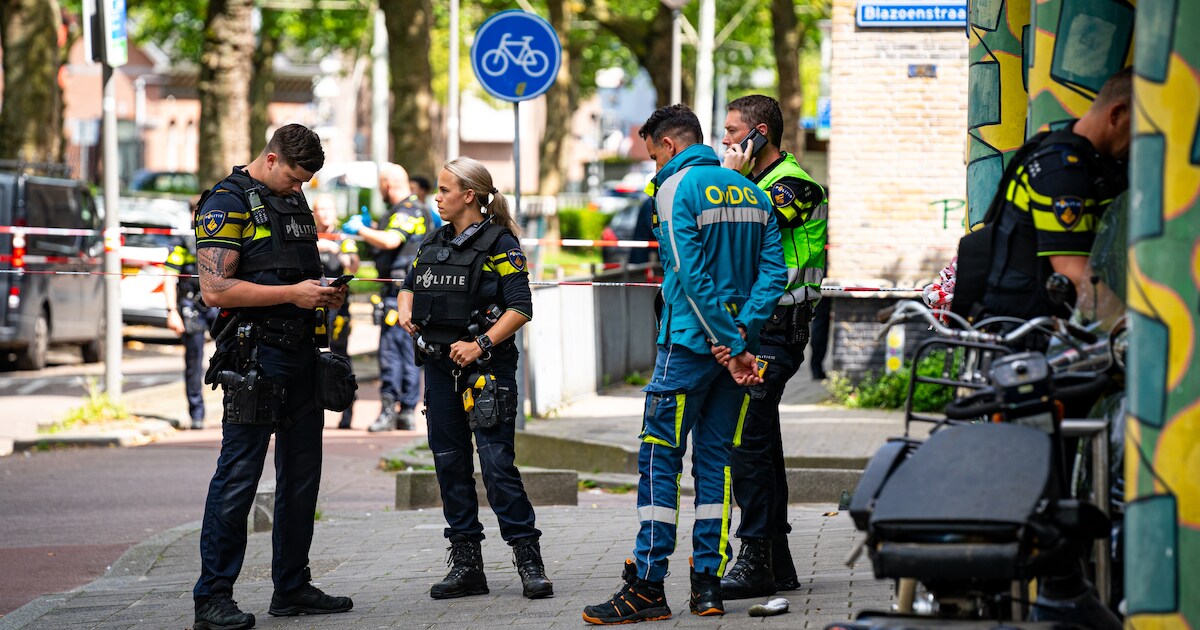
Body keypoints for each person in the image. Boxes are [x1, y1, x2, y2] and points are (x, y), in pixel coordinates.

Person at [582, 104, 786, 625]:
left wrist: (725, 340)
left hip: (688, 346)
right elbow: (774, 276)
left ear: (669, 145)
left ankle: (648, 585)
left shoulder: (675, 188)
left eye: (653, 155)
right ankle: (707, 586)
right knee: (717, 465)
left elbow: (691, 277)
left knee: (659, 460)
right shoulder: (754, 192)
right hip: (734, 354)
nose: (655, 166)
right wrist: (741, 337)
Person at [191, 124, 353, 630]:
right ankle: (212, 598)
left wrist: (324, 293)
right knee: (238, 477)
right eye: (295, 177)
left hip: (302, 354)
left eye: (306, 182)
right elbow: (215, 290)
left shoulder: (293, 200)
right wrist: (293, 295)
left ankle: (292, 587)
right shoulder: (227, 202)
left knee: (302, 478)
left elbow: (288, 272)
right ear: (271, 159)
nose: (299, 188)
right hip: (255, 359)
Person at [395, 156, 553, 601]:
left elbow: (521, 307)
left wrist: (480, 344)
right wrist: (405, 307)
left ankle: (529, 561)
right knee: (450, 465)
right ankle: (467, 566)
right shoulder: (434, 240)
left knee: (497, 466)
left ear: (469, 195)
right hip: (440, 370)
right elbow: (410, 283)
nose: (437, 197)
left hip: (486, 372)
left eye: (444, 190)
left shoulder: (500, 243)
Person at [715, 94, 828, 600]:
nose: (725, 140)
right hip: (755, 328)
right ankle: (777, 563)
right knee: (761, 442)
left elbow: (747, 224)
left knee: (746, 441)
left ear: (760, 132)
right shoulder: (754, 183)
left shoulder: (794, 185)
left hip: (779, 329)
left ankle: (755, 558)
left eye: (733, 130)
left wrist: (729, 182)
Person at [978, 68, 1130, 324]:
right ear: (1116, 114)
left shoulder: (1093, 163)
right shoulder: (1061, 171)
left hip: (1048, 324)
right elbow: (1075, 274)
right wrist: (1138, 334)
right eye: (1142, 127)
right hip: (1026, 328)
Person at [343, 163, 432, 432]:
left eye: (380, 186)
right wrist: (372, 226)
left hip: (400, 294)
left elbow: (392, 240)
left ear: (388, 185)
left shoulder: (407, 210)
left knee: (392, 352)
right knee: (407, 353)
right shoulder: (406, 210)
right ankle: (406, 412)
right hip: (406, 291)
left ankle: (390, 410)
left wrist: (361, 230)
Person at [314, 193, 360, 429]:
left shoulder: (343, 237)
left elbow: (354, 265)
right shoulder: (307, 234)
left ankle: (347, 409)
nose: (324, 214)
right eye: (320, 209)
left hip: (337, 308)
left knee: (340, 355)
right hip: (312, 305)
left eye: (328, 209)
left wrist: (336, 250)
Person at [164, 234, 219, 430]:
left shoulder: (223, 232)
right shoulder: (183, 241)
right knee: (194, 362)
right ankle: (197, 414)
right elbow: (169, 277)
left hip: (219, 303)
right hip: (192, 305)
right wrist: (171, 311)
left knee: (235, 352)